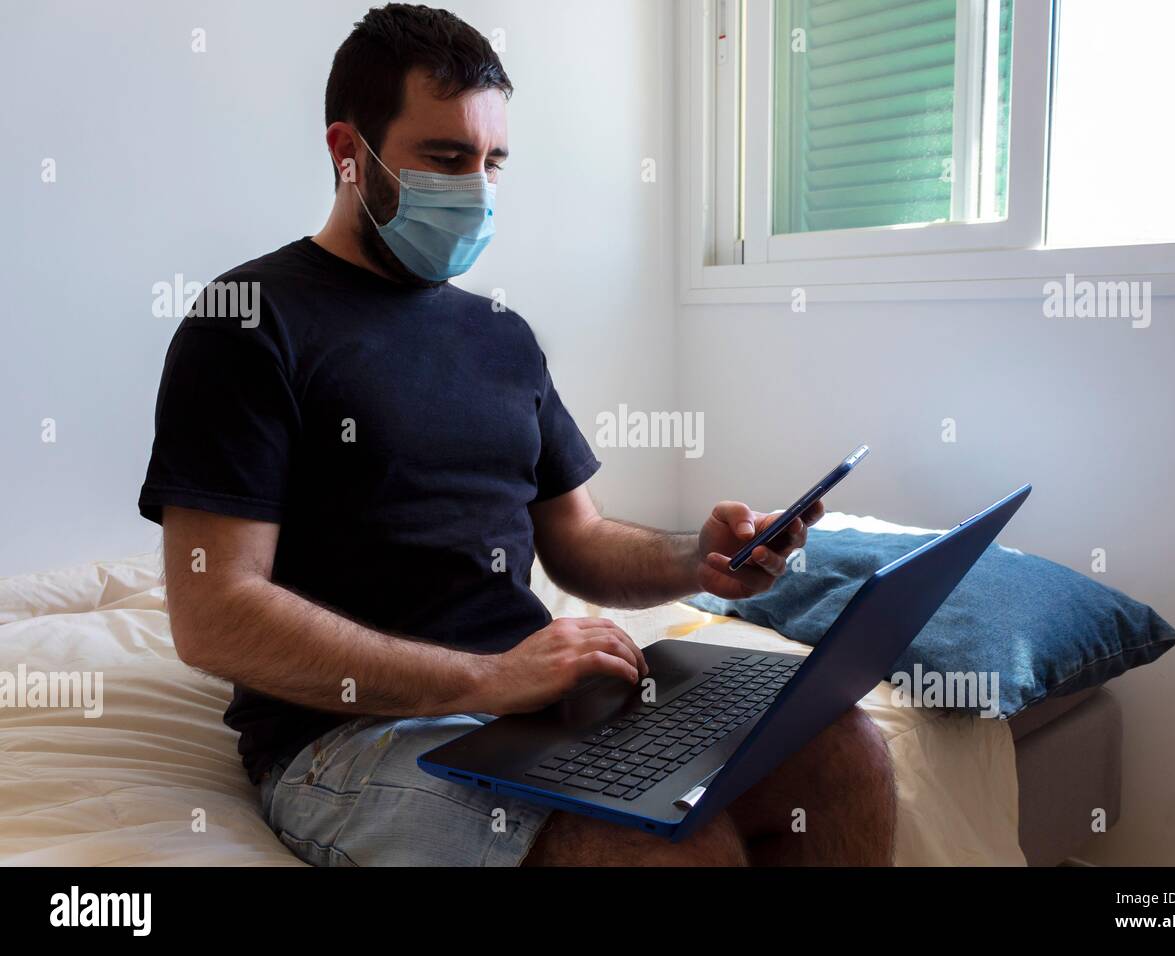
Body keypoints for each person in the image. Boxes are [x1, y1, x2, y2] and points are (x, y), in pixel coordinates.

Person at [140, 3, 894, 866]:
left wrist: (702, 561)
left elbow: (578, 540)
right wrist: (488, 680)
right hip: (351, 735)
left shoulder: (500, 335)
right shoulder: (249, 323)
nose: (478, 189)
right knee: (677, 851)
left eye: (494, 161)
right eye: (447, 158)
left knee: (844, 749)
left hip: (539, 701)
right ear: (349, 153)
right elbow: (215, 615)